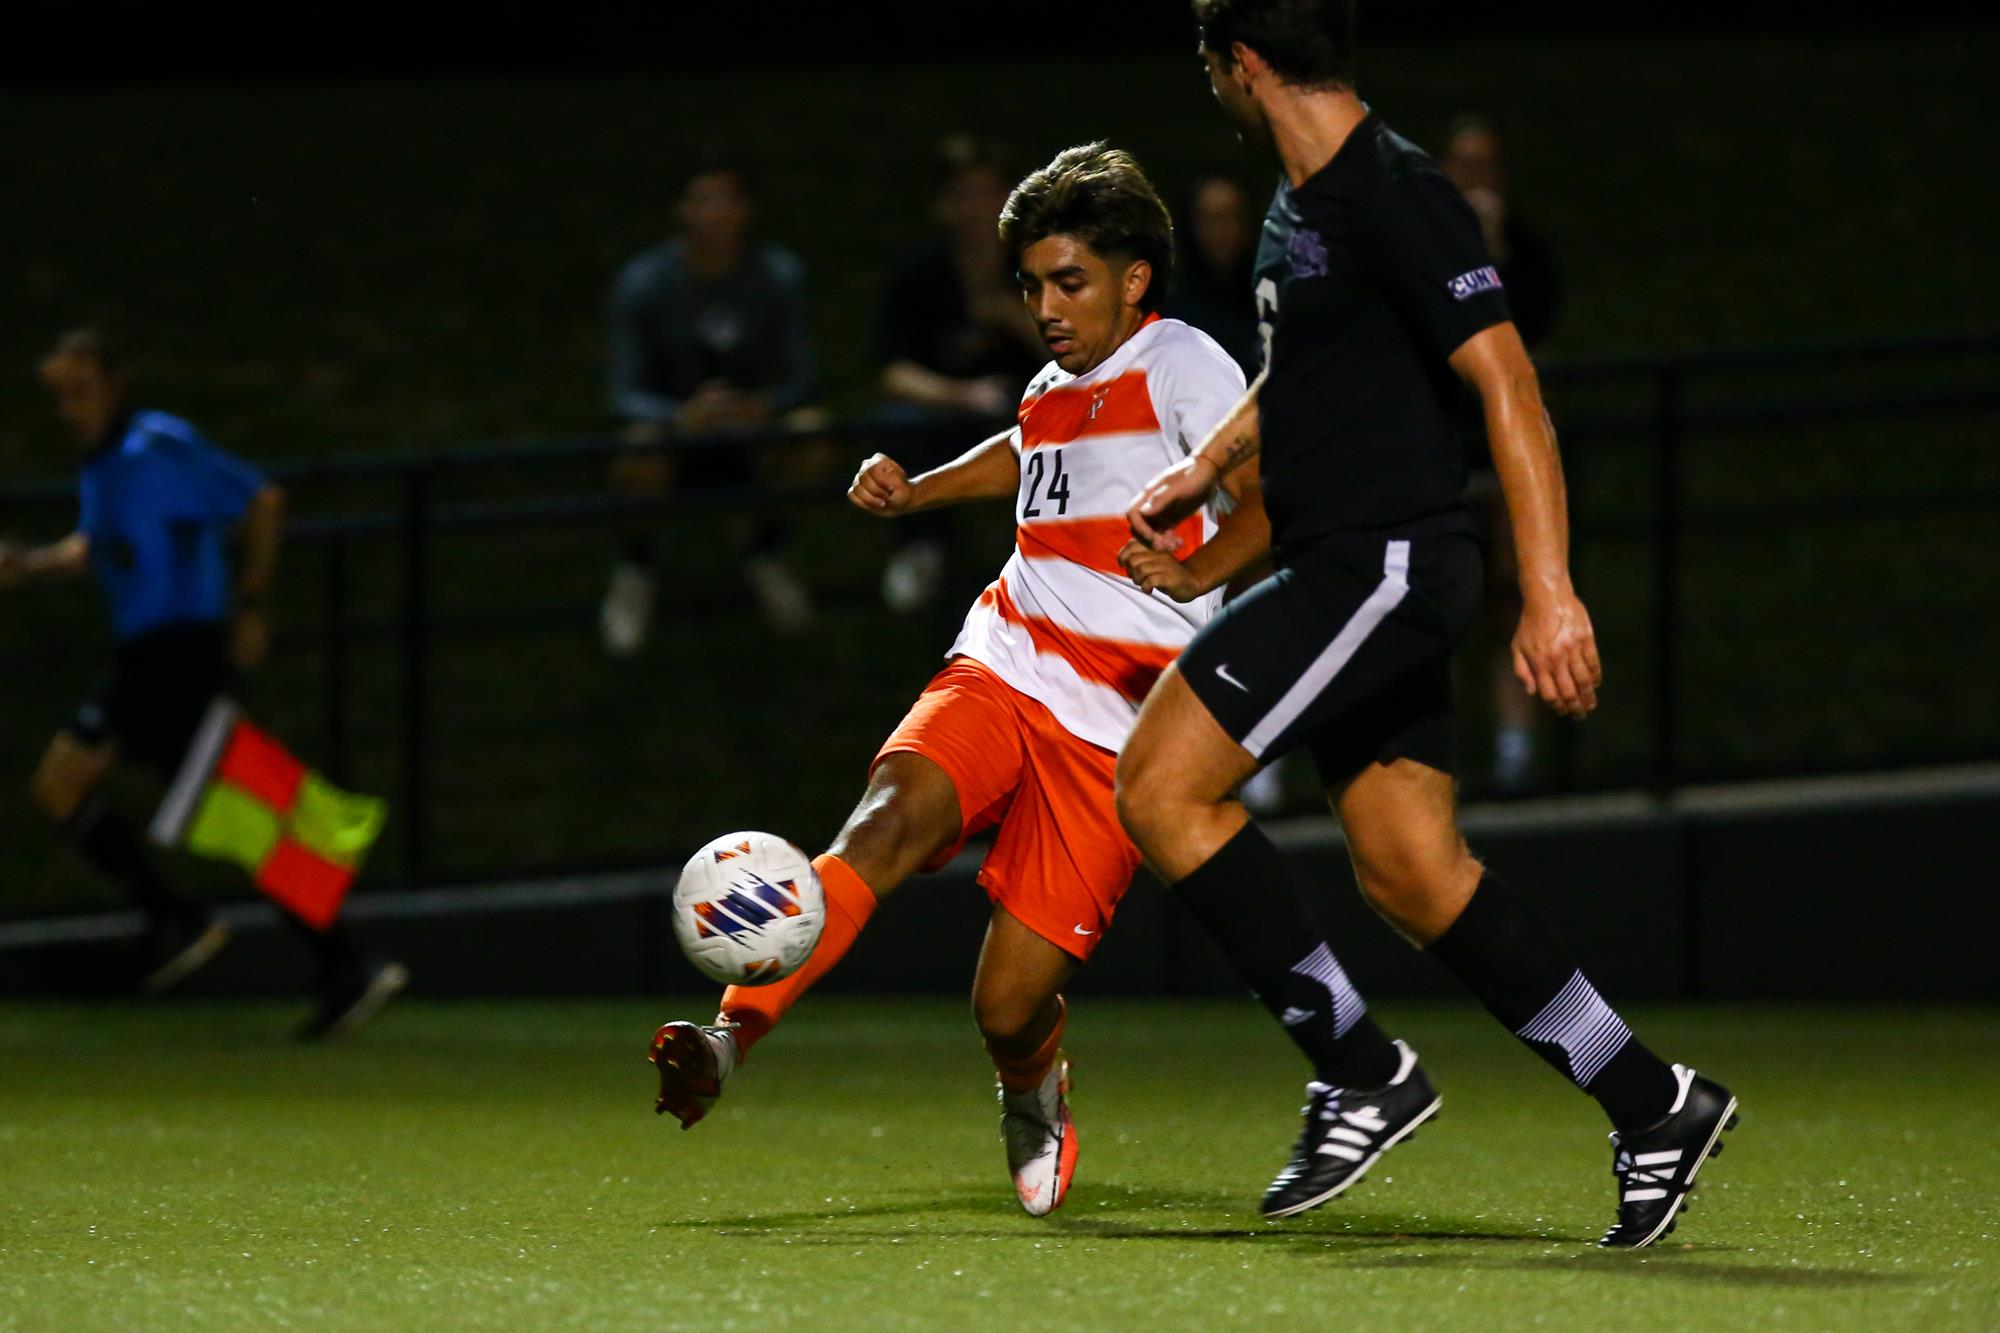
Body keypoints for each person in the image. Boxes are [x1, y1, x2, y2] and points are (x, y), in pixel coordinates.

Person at [1112, 0, 1737, 1248]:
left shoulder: (1393, 190)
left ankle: (1356, 1068)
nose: (1210, 93)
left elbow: (1505, 380)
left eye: (1208, 71)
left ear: (1240, 64)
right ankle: (1651, 1099)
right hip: (1351, 561)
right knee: (1410, 870)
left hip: (1382, 566)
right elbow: (1314, 373)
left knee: (1159, 785)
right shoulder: (1301, 202)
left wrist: (1549, 588)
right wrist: (1210, 465)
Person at [649, 144, 1266, 1217]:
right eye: (1030, 285)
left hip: (1118, 724)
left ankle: (1031, 1086)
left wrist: (1202, 567)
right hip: (1004, 656)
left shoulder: (1185, 367)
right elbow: (1028, 451)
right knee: (879, 827)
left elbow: (1267, 492)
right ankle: (728, 1038)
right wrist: (915, 492)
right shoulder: (1049, 382)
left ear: (1132, 278)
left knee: (1005, 1007)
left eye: (1066, 281)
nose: (1043, 307)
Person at [0, 330, 406, 1038]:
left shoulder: (155, 447)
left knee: (229, 816)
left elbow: (262, 499)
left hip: (182, 656)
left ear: (116, 385)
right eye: (59, 395)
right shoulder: (104, 465)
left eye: (81, 391)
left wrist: (250, 604)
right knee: (220, 812)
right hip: (147, 661)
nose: (68, 409)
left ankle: (237, 934)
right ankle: (307, 951)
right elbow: (99, 549)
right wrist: (29, 564)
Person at [601, 158, 819, 652]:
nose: (714, 214)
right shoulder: (644, 283)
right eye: (701, 201)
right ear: (681, 210)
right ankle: (636, 567)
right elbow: (622, 392)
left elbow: (802, 376)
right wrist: (679, 417)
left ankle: (765, 550)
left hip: (752, 432)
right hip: (676, 435)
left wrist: (763, 406)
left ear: (745, 210)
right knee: (636, 448)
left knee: (812, 434)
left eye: (726, 200)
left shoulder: (778, 276)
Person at [1439, 114, 1565, 792]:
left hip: (1506, 456)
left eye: (1484, 166)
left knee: (1513, 596)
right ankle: (1444, 755)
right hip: (1445, 455)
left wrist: (1492, 250)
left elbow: (1528, 343)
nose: (1473, 181)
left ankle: (1517, 748)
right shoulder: (1424, 248)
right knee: (1444, 604)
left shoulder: (1528, 252)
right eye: (1461, 166)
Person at [872, 136, 1050, 613]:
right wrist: (960, 394)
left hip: (1033, 408)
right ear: (943, 205)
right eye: (963, 194)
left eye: (991, 193)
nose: (978, 208)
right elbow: (895, 372)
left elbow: (1077, 354)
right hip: (946, 413)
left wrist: (1012, 316)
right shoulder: (919, 275)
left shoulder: (1041, 267)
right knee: (904, 426)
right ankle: (921, 547)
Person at [1165, 168, 1263, 378]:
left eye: (1230, 216)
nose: (1220, 230)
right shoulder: (1168, 316)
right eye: (1209, 218)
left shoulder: (1269, 304)